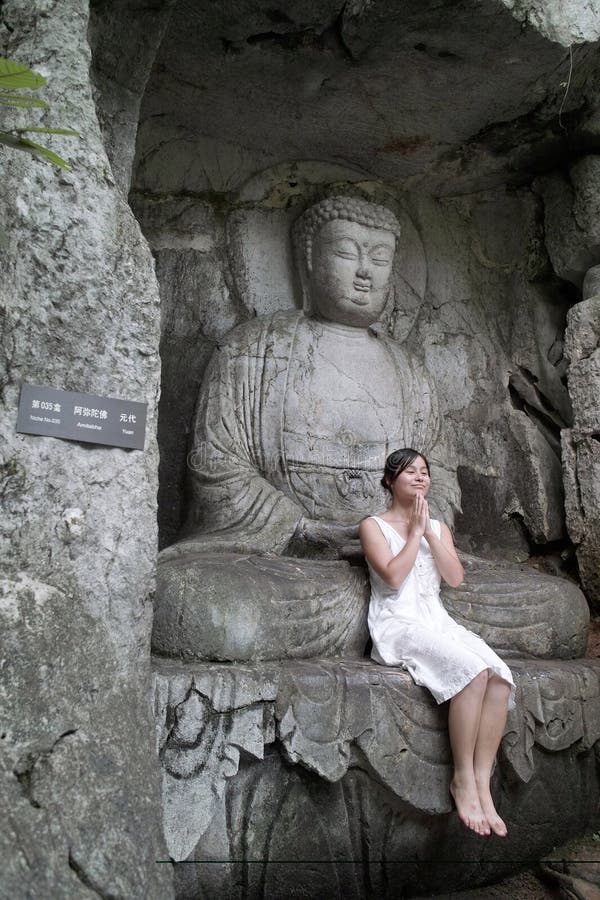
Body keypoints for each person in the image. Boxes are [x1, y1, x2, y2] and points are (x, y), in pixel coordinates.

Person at [359, 448, 516, 838]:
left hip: (437, 621)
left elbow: (455, 577)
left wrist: (429, 530)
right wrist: (413, 533)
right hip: (399, 622)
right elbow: (394, 579)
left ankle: (482, 783)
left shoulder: (439, 527)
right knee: (472, 671)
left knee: (501, 676)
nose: (420, 477)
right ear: (390, 480)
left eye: (425, 472)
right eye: (410, 471)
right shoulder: (373, 526)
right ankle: (462, 778)